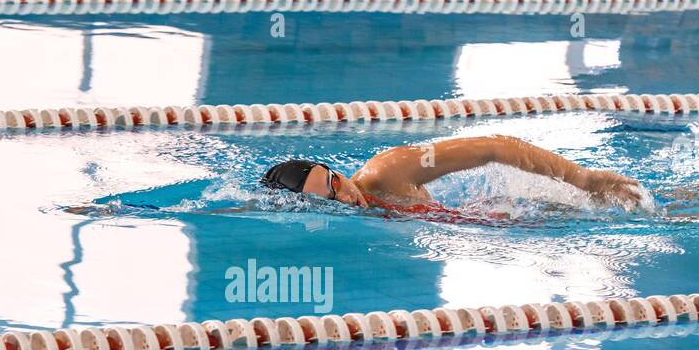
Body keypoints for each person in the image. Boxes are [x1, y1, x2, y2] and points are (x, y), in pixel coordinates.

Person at [260, 135, 647, 213]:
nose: (345, 196)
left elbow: (496, 147)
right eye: (328, 200)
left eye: (335, 183)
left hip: (513, 215)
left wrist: (582, 178)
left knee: (640, 206)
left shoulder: (388, 169)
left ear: (337, 172)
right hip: (491, 222)